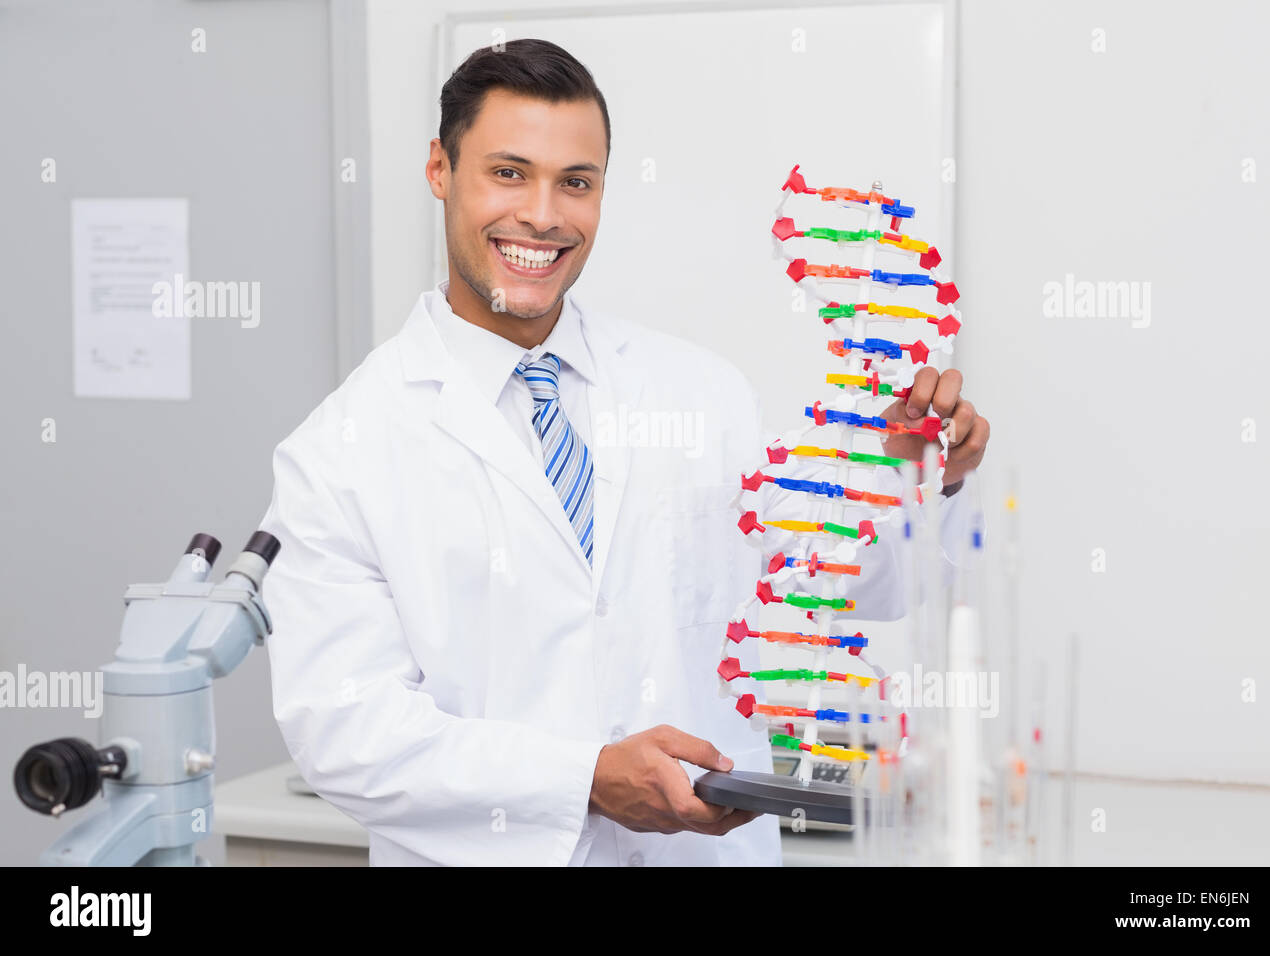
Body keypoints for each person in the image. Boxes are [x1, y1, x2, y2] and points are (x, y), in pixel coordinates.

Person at [259, 38, 990, 866]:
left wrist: (912, 478)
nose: (542, 214)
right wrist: (585, 779)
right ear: (439, 169)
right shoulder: (339, 452)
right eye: (508, 172)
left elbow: (848, 584)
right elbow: (348, 734)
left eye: (576, 182)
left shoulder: (700, 392)